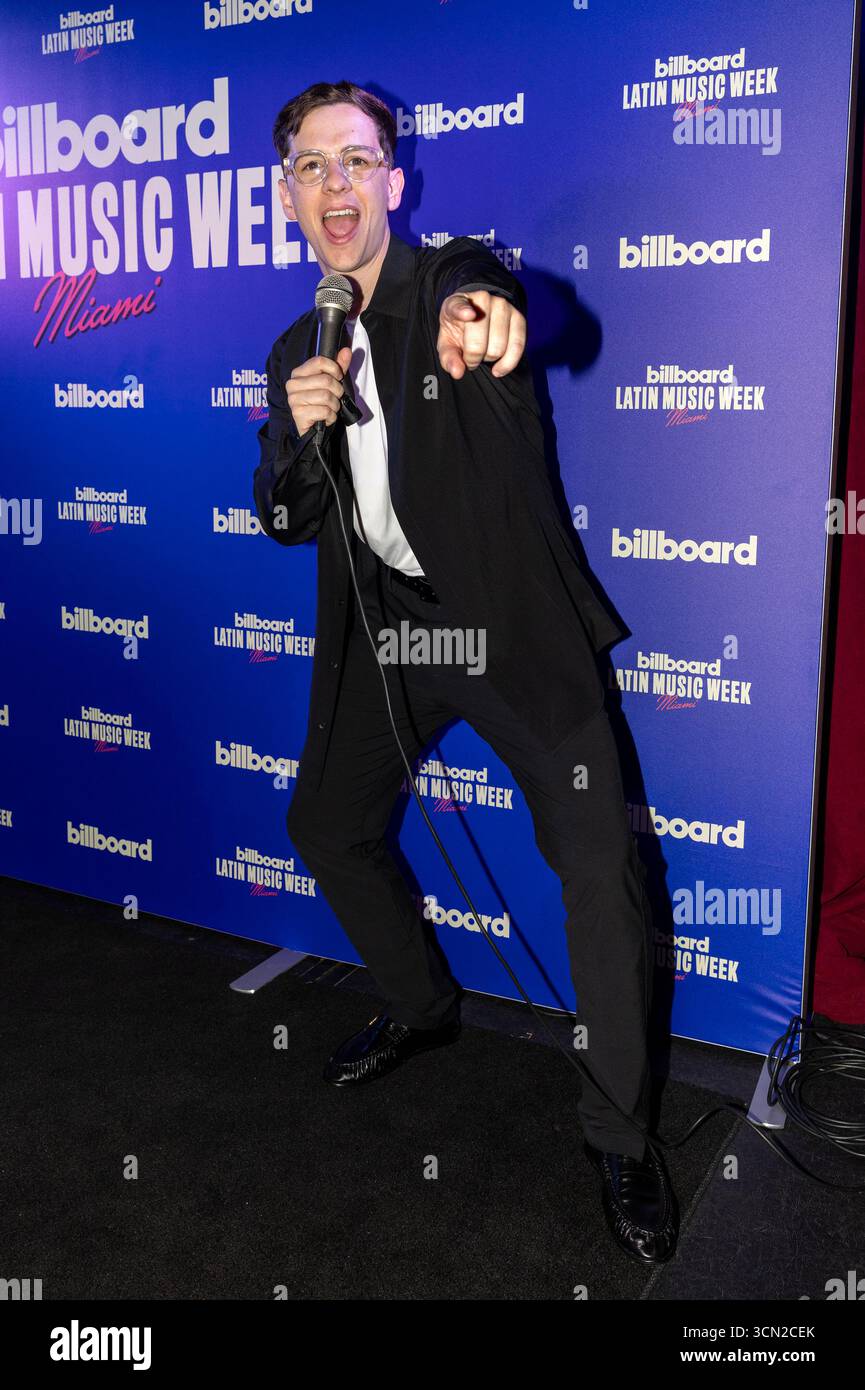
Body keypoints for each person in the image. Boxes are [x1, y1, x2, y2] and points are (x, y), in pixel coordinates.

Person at [253, 80, 678, 1264]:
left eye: (357, 159)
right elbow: (282, 517)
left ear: (393, 181)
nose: (336, 184)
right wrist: (298, 434)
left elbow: (489, 293)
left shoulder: (449, 281)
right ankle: (422, 1005)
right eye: (311, 166)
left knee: (598, 871)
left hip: (510, 631)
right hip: (392, 635)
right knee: (325, 822)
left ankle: (620, 1136)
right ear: (287, 195)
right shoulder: (296, 349)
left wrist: (488, 313)